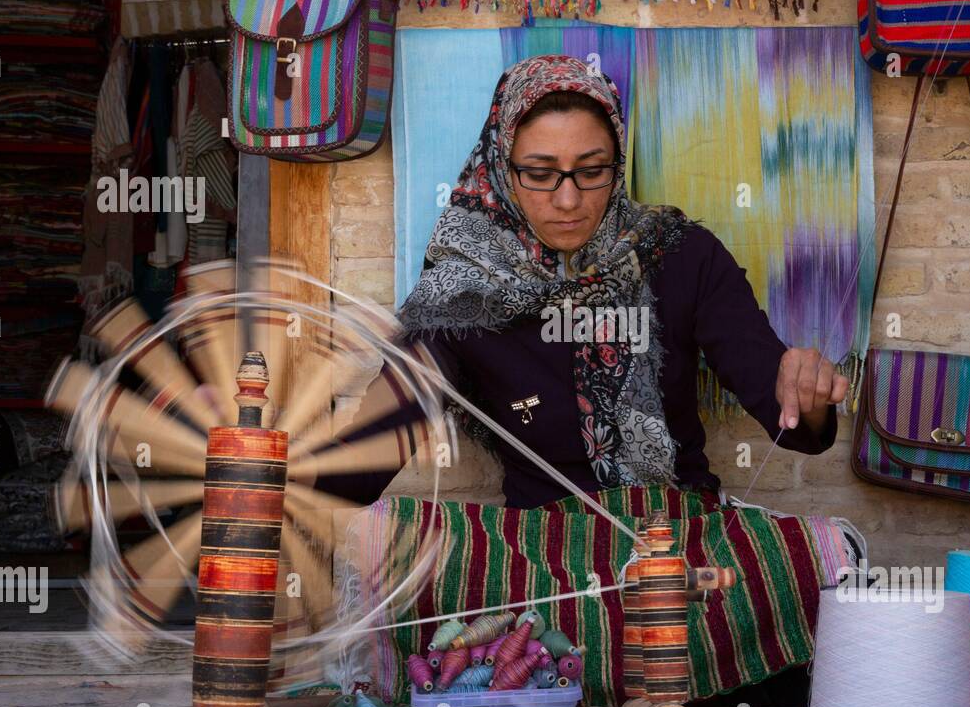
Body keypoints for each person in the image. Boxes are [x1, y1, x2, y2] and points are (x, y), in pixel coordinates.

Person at [319, 53, 847, 509]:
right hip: (545, 559)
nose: (568, 200)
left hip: (679, 537)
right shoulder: (465, 294)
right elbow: (360, 469)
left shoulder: (679, 254)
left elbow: (799, 430)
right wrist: (272, 461)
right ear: (501, 170)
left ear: (618, 164)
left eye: (592, 170)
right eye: (541, 173)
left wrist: (806, 390)